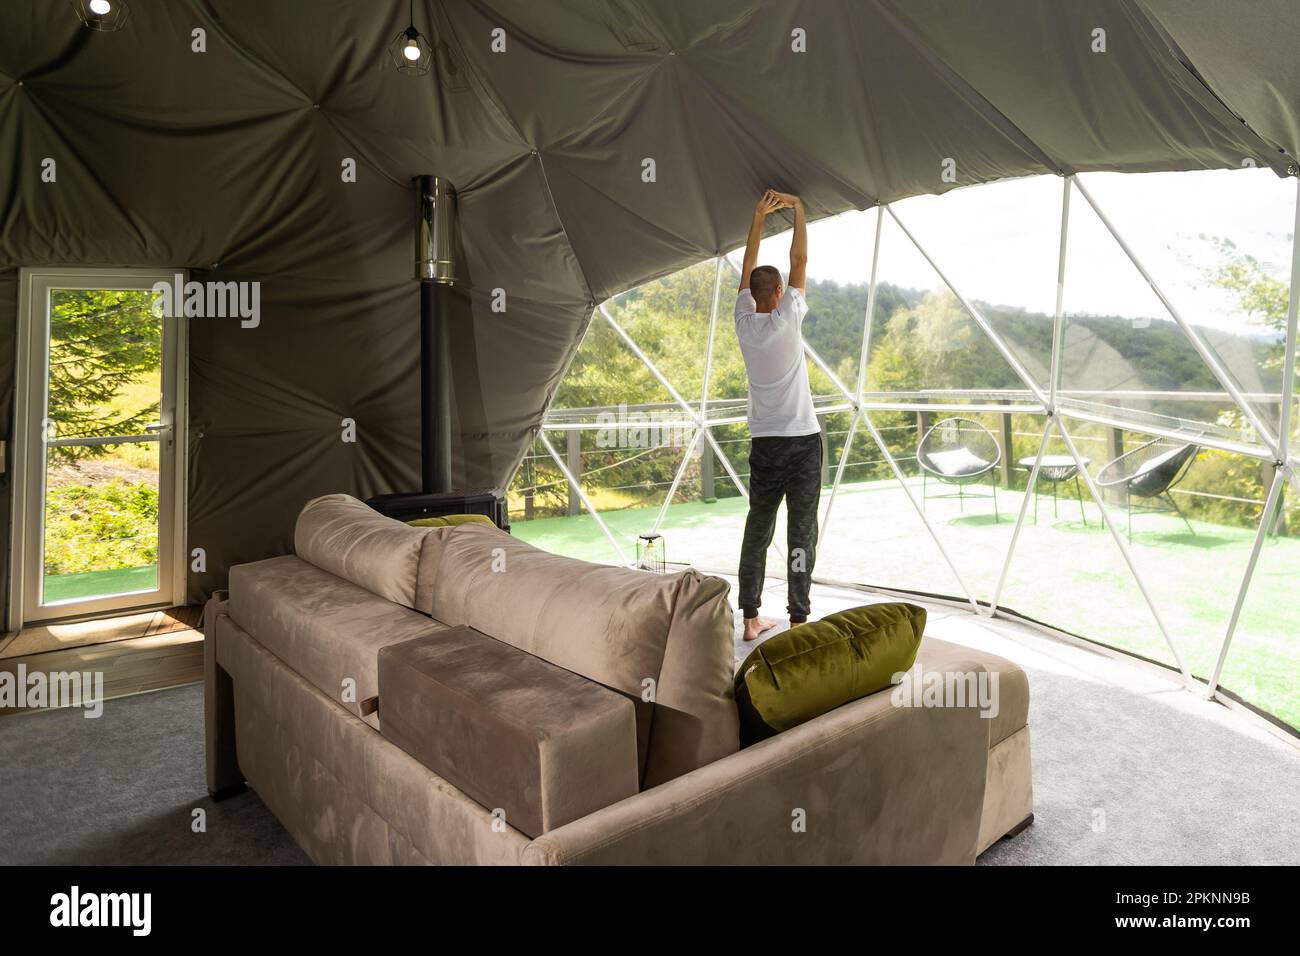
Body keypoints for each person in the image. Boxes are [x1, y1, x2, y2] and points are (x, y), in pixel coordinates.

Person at [734, 188, 821, 642]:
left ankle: (750, 617)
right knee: (801, 531)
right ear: (781, 293)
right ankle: (799, 618)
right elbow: (799, 261)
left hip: (764, 443)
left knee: (759, 527)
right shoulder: (789, 316)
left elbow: (749, 267)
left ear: (752, 296)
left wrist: (758, 217)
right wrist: (799, 211)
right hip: (803, 441)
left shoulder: (744, 323)